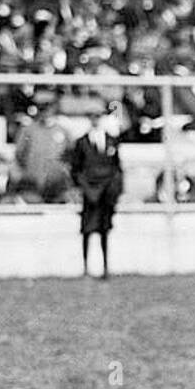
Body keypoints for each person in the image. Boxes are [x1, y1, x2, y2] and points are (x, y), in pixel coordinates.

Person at [67, 98, 124, 278]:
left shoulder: (111, 141)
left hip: (106, 192)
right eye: (92, 116)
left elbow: (117, 168)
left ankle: (105, 267)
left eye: (98, 116)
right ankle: (85, 267)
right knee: (87, 229)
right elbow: (76, 169)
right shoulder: (82, 142)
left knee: (104, 229)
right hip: (90, 191)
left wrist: (114, 189)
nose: (95, 119)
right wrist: (85, 188)